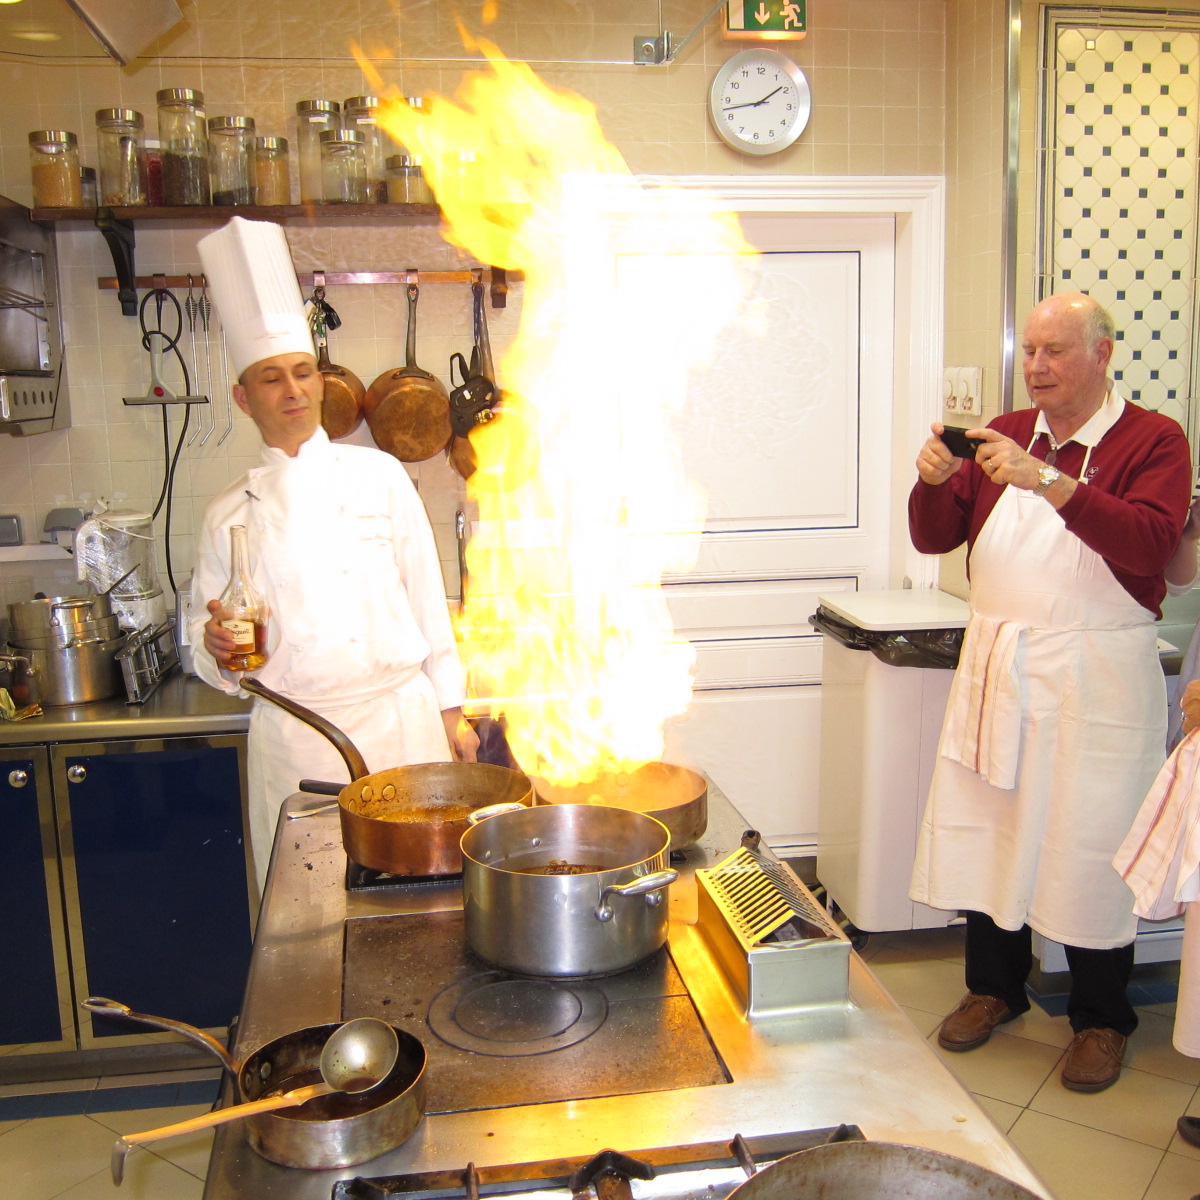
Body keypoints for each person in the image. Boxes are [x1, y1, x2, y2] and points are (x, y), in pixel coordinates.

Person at [907, 291, 1192, 1093]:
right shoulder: (999, 435)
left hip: (1096, 676)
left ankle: (1101, 1019)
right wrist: (932, 480)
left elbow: (1152, 542)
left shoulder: (1154, 440)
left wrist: (1053, 484)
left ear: (1102, 353)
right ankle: (992, 990)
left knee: (1090, 840)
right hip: (1001, 662)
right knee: (991, 822)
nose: (1035, 367)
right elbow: (933, 535)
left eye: (1055, 351)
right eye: (1030, 351)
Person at [190, 217, 478, 891]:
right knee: (310, 921)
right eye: (270, 379)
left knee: (419, 909)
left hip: (403, 729)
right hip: (299, 738)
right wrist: (220, 652)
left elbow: (426, 602)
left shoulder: (379, 475)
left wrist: (452, 714)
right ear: (243, 396)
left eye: (301, 374)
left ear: (320, 384)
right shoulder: (228, 513)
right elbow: (215, 662)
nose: (292, 391)